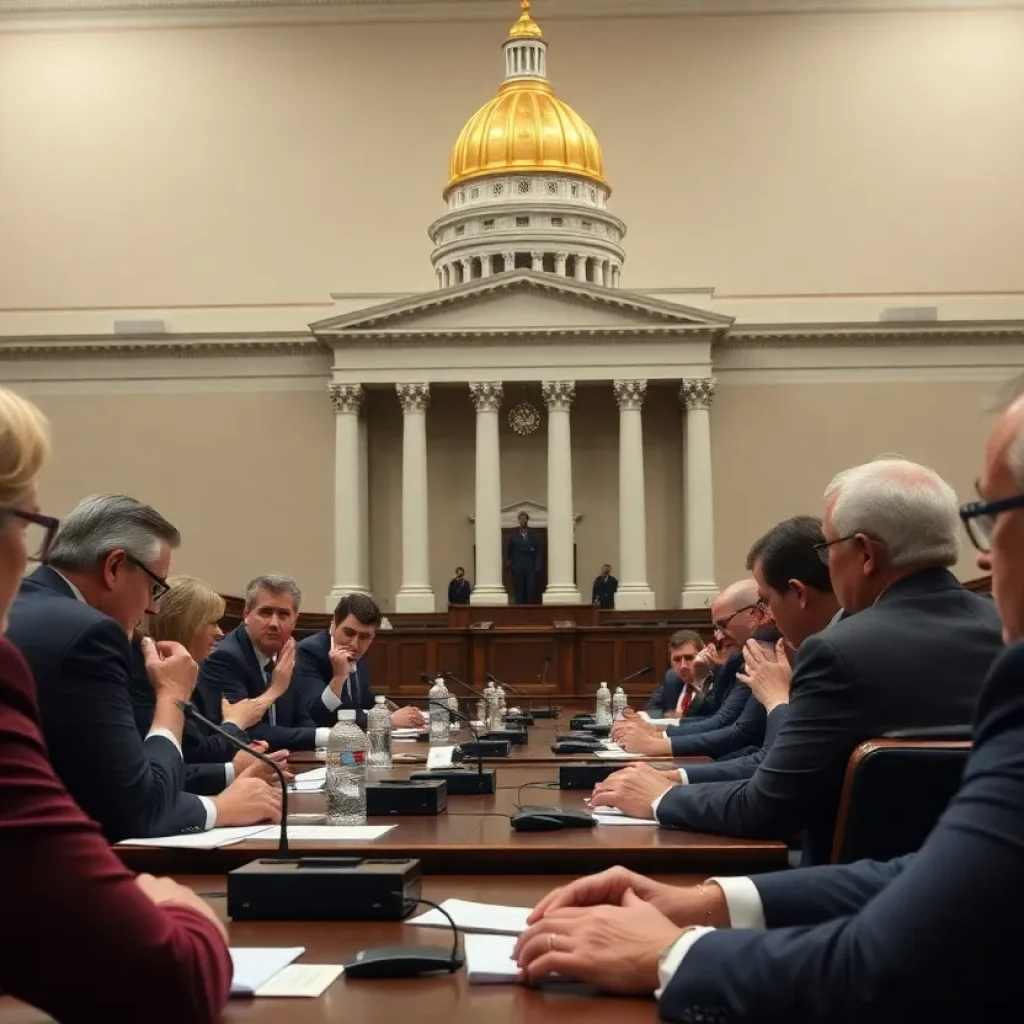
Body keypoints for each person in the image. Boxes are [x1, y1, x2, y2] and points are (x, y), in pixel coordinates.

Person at [515, 381, 1024, 1022]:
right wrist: (705, 903)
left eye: (994, 516)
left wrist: (673, 954)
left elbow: (881, 959)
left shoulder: (842, 651)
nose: (985, 554)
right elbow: (940, 875)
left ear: (863, 555)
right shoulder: (997, 653)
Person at [599, 459, 1003, 866]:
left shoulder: (837, 651)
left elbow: (771, 805)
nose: (825, 564)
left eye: (828, 548)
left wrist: (663, 797)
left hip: (841, 889)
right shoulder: (1007, 632)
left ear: (865, 553)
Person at [0, 387, 231, 1022]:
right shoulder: (83, 635)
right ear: (112, 568)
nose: (156, 606)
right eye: (27, 525)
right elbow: (168, 979)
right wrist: (181, 908)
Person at [7, 495, 281, 841]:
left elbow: (86, 786)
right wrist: (173, 695)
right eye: (154, 587)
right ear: (114, 567)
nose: (153, 608)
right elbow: (136, 807)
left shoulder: (17, 604)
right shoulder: (90, 634)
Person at [609, 517, 838, 792]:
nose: (765, 614)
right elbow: (745, 742)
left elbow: (761, 752)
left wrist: (664, 768)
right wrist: (665, 751)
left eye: (765, 602)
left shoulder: (801, 652)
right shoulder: (751, 655)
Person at [133, 575, 290, 795]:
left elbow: (218, 738)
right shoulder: (146, 678)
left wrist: (249, 748)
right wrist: (236, 725)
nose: (220, 633)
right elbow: (196, 753)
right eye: (212, 622)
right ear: (186, 625)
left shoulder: (198, 672)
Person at [614, 579, 769, 758]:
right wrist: (651, 727)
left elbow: (730, 727)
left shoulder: (761, 658)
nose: (718, 636)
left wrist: (657, 740)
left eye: (723, 624)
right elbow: (718, 718)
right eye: (715, 627)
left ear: (755, 614)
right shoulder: (735, 660)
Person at [198, 573, 331, 751]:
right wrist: (325, 736)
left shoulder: (288, 652)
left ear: (295, 620)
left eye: (283, 614)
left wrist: (321, 741)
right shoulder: (225, 657)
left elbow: (301, 718)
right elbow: (246, 731)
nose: (274, 623)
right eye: (266, 612)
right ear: (247, 614)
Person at [294, 592, 426, 730]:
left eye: (364, 637)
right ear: (333, 625)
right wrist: (339, 677)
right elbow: (318, 715)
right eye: (348, 633)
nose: (354, 644)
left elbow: (364, 703)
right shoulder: (309, 652)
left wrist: (396, 711)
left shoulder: (357, 656)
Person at [642, 629, 703, 718]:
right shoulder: (671, 678)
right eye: (677, 660)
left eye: (689, 658)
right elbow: (650, 710)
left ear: (702, 655)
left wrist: (682, 719)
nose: (683, 666)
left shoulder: (715, 682)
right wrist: (668, 716)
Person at [506, 510, 543, 604]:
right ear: (518, 520)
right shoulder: (513, 536)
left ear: (527, 520)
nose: (523, 520)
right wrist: (510, 565)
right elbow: (508, 552)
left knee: (530, 588)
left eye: (525, 518)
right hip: (517, 566)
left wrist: (537, 565)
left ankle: (530, 607)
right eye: (521, 518)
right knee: (519, 588)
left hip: (530, 566)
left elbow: (538, 550)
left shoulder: (533, 535)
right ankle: (519, 607)